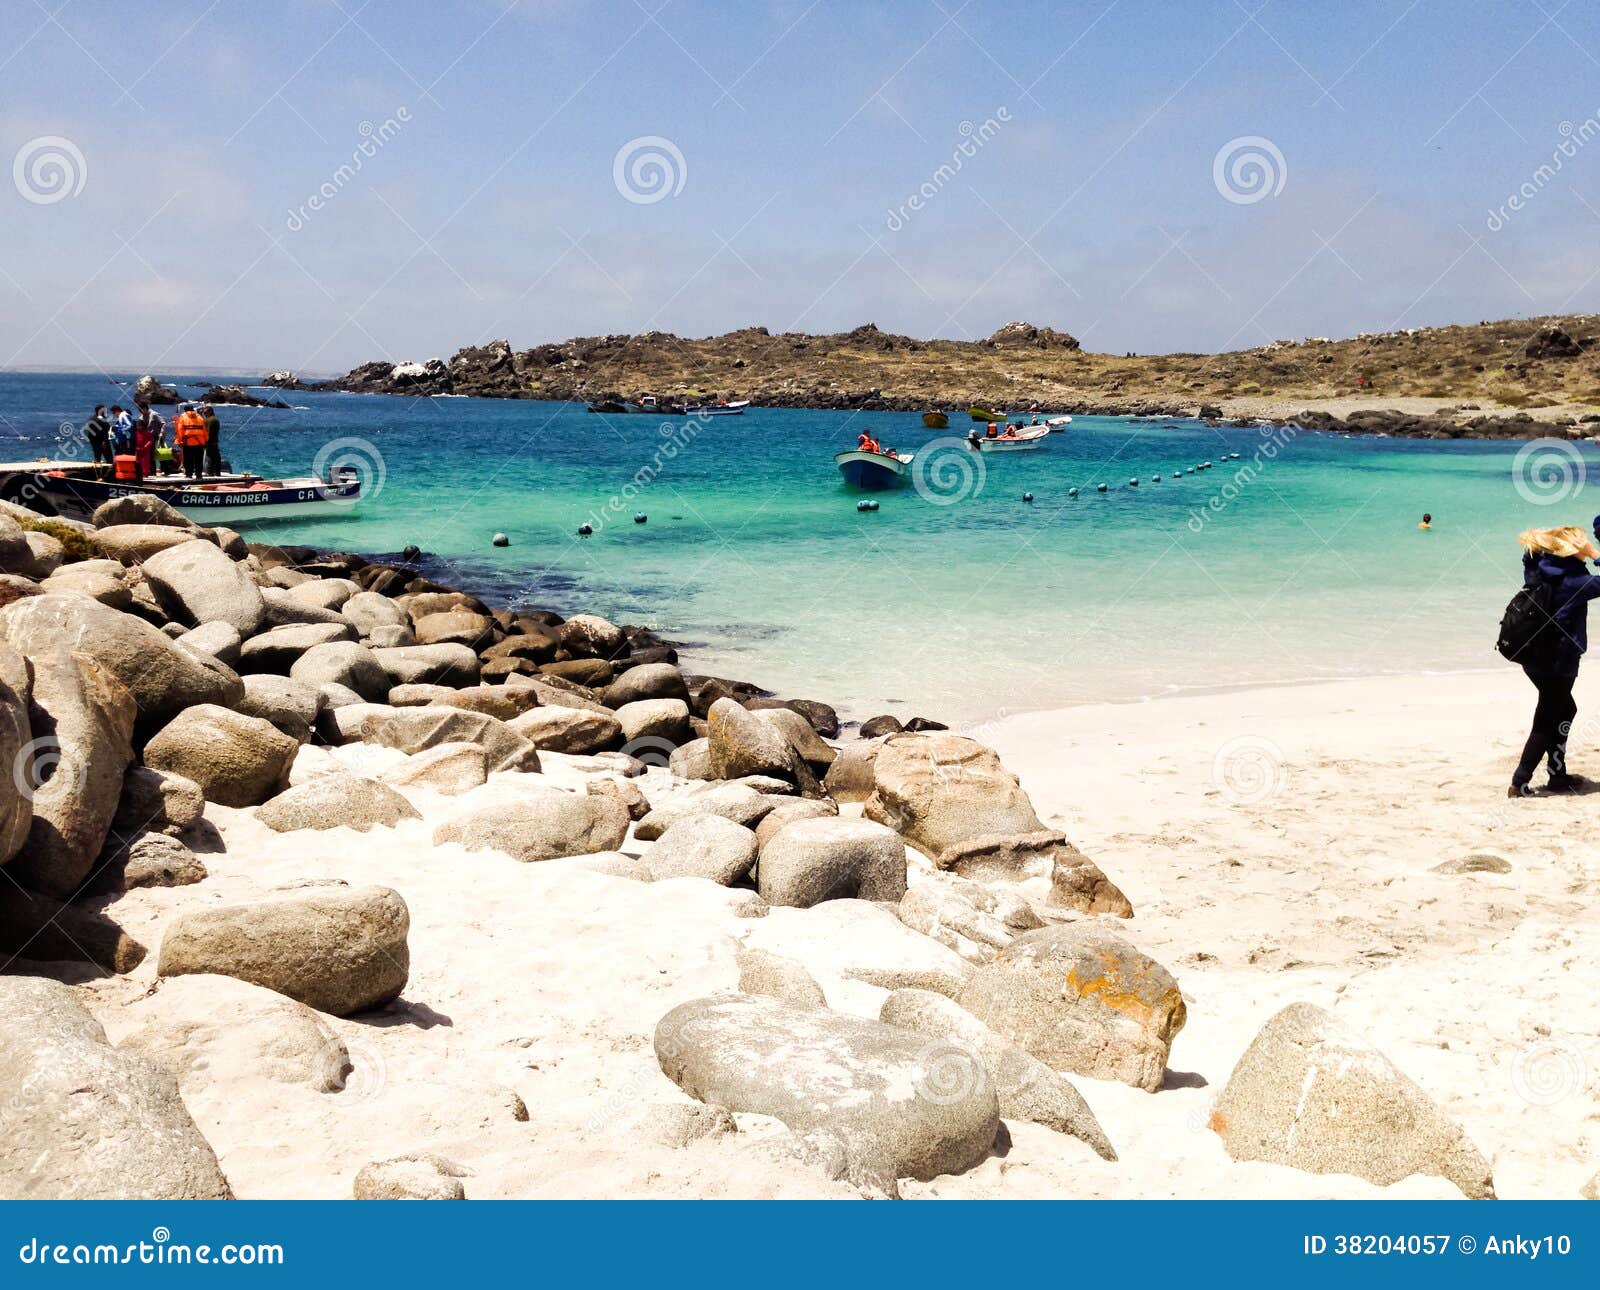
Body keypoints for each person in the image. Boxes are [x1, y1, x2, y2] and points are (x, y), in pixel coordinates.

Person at [1509, 525, 1600, 797]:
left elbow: (1530, 554)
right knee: (1548, 718)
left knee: (1565, 710)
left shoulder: (1537, 569)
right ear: (1572, 550)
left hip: (1532, 656)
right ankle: (1519, 782)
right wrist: (1595, 552)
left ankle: (1557, 774)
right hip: (1559, 662)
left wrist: (1555, 539)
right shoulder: (1575, 582)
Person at [174, 404, 209, 480]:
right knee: (198, 460)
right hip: (199, 443)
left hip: (188, 443)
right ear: (193, 409)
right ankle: (199, 475)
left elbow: (180, 430)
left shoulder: (183, 417)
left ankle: (189, 475)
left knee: (188, 460)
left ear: (185, 410)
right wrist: (206, 440)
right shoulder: (200, 417)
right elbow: (204, 431)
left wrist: (179, 441)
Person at [201, 404, 222, 474]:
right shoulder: (213, 419)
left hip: (210, 442)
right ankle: (216, 472)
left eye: (205, 413)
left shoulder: (210, 420)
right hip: (212, 442)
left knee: (211, 458)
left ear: (210, 412)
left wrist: (205, 442)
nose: (204, 414)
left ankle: (211, 472)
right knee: (215, 458)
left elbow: (208, 432)